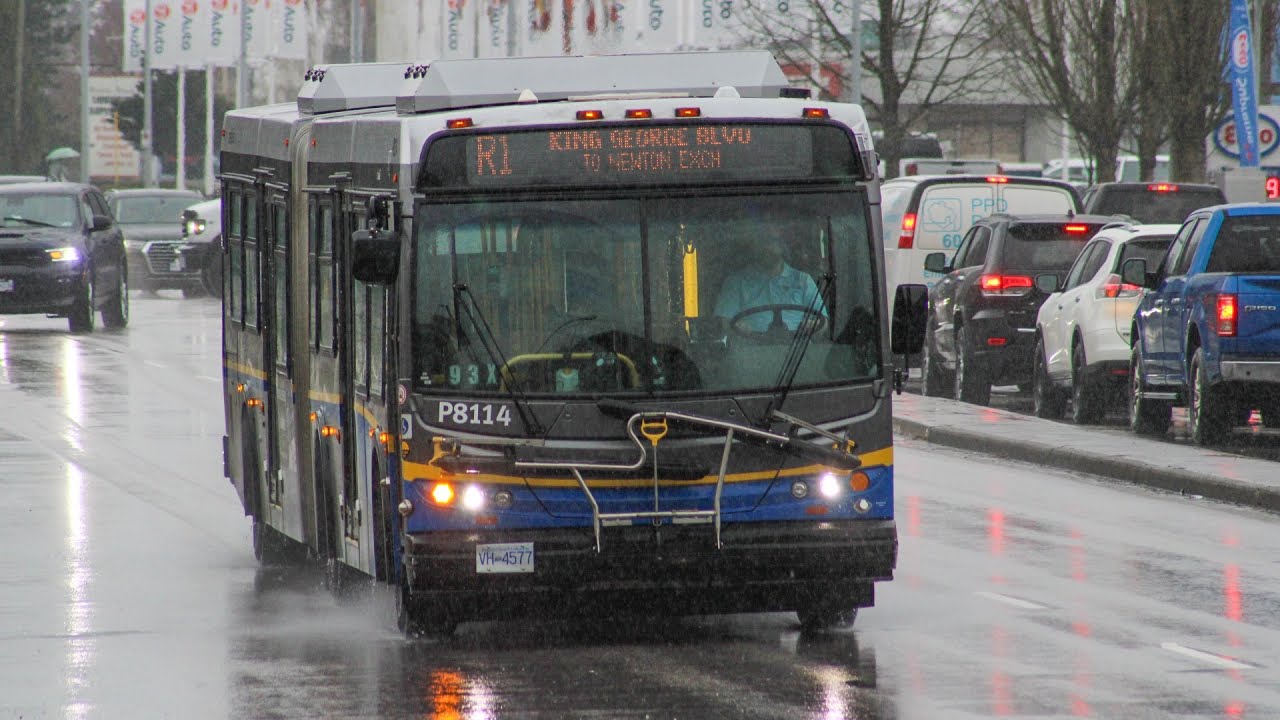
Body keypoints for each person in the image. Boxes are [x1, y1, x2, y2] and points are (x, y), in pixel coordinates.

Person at [713, 230, 826, 334]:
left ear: (782, 245)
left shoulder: (803, 280)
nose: (767, 247)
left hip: (799, 350)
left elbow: (823, 321)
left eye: (773, 241)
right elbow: (724, 323)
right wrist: (738, 328)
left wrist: (813, 325)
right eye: (763, 241)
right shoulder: (736, 282)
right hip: (749, 350)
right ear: (754, 246)